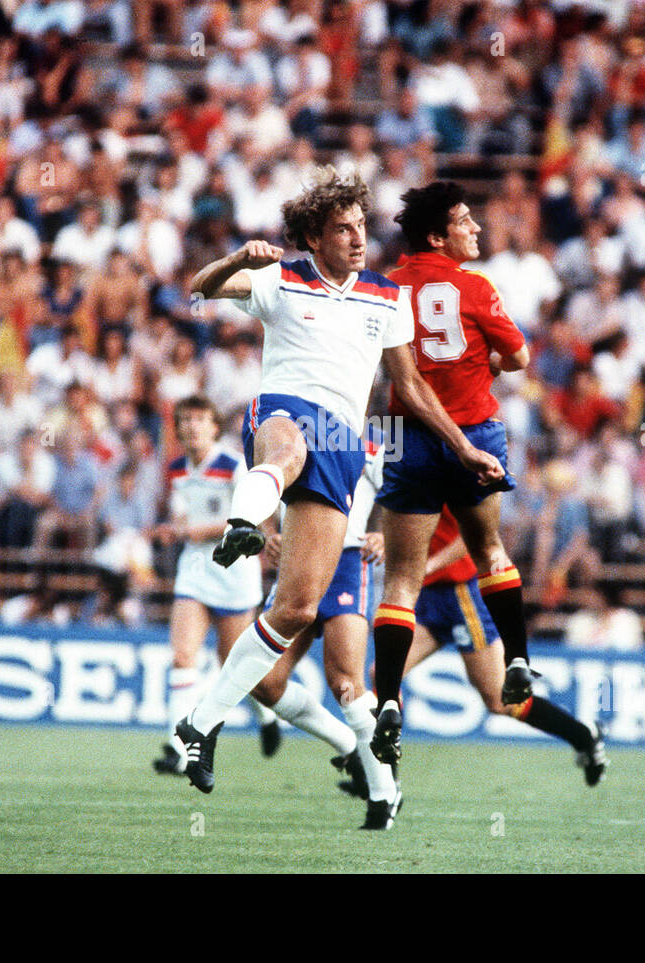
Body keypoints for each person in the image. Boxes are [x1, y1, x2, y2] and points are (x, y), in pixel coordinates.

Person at [174, 168, 500, 800]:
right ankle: (245, 522)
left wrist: (461, 446)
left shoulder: (387, 297)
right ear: (314, 238)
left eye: (360, 226)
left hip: (343, 446)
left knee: (293, 609)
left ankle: (198, 724)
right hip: (284, 412)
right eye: (342, 228)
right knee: (288, 446)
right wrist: (241, 256)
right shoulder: (282, 278)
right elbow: (199, 287)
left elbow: (410, 387)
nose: (356, 238)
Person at [370, 180, 602, 768]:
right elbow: (521, 358)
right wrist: (484, 364)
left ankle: (390, 704)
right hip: (473, 430)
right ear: (436, 235)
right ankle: (521, 656)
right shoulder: (473, 286)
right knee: (492, 549)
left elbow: (380, 366)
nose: (476, 229)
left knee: (399, 582)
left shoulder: (387, 288)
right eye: (465, 221)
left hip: (406, 436)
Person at [247, 439, 401, 829]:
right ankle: (349, 745)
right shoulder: (289, 434)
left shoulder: (378, 442)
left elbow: (401, 491)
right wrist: (268, 531)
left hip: (348, 560)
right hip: (298, 562)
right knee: (264, 682)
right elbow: (260, 487)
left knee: (346, 682)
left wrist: (383, 533)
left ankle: (384, 797)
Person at [400, 508, 610, 784]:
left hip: (460, 595)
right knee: (382, 675)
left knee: (501, 701)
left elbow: (473, 536)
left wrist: (427, 565)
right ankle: (382, 785)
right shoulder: (406, 472)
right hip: (430, 596)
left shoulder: (447, 474)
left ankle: (583, 736)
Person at [150, 396, 276, 776]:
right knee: (182, 656)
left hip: (234, 571)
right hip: (195, 570)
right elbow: (180, 514)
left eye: (199, 419)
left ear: (214, 426)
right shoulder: (176, 468)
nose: (190, 426)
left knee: (232, 664)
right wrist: (172, 530)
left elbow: (250, 519)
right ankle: (178, 746)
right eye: (185, 419)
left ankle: (266, 715)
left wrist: (196, 530)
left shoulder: (234, 465)